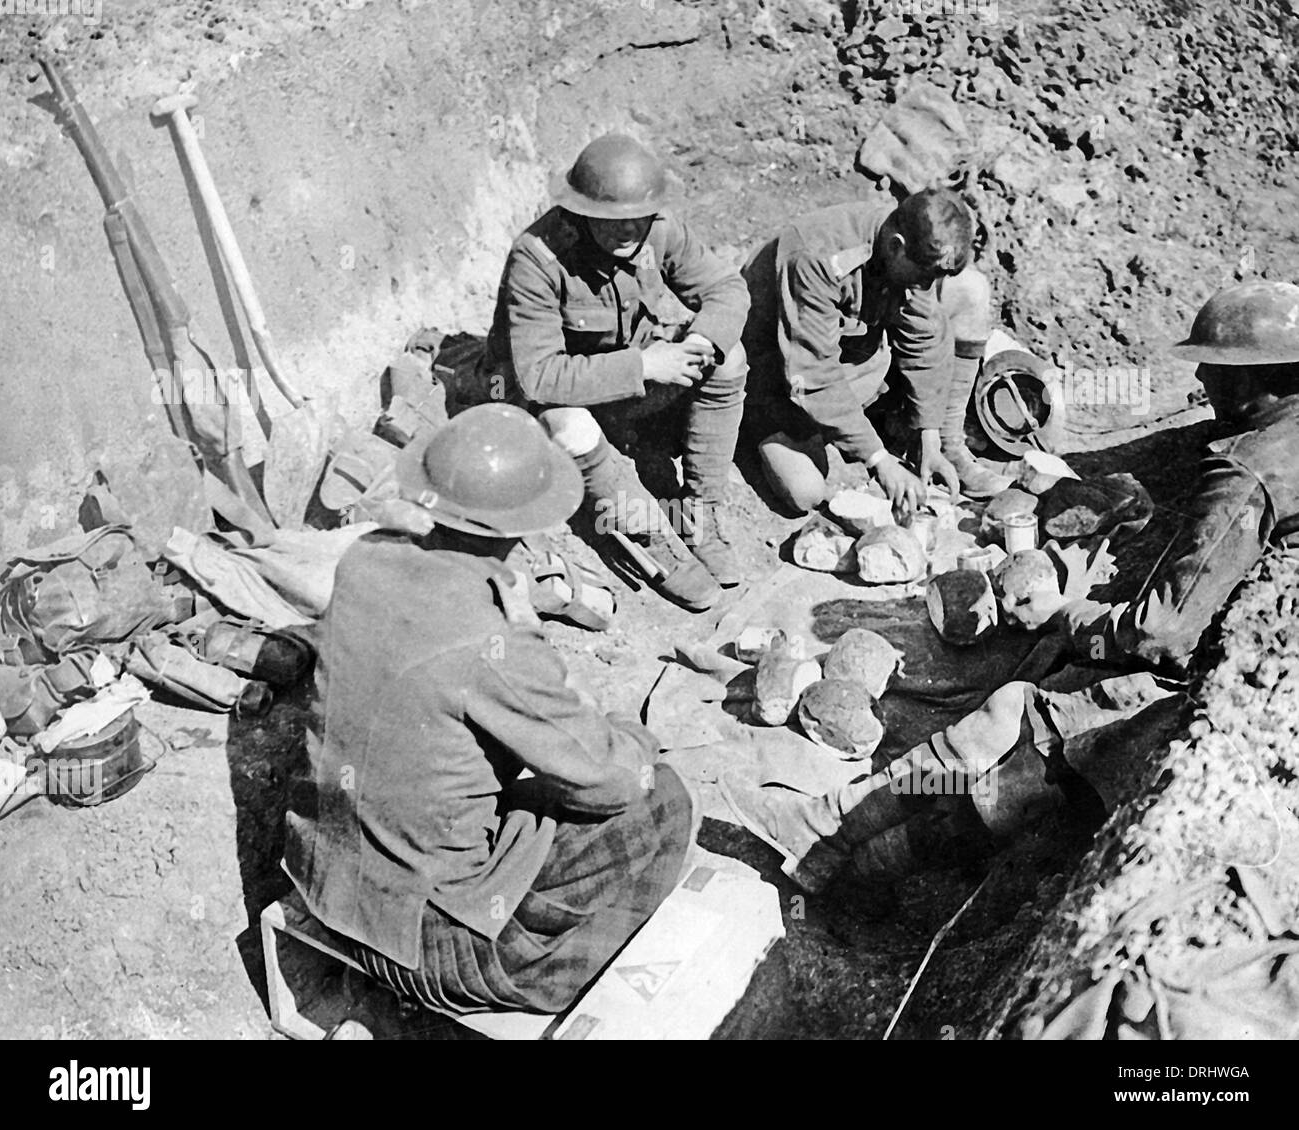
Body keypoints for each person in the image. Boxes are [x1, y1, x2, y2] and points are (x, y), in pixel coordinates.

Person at [721, 279, 1299, 893]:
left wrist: (1068, 613)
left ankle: (837, 846)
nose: (1203, 379)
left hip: (1223, 690)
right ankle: (832, 846)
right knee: (1013, 759)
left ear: (1256, 376)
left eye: (1215, 365)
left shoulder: (1247, 468)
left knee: (1012, 760)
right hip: (1263, 687)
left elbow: (1164, 632)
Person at [283, 404, 695, 1015]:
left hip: (323, 882)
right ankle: (567, 981)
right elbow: (608, 782)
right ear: (525, 521)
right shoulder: (494, 636)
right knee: (660, 795)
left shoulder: (365, 559)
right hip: (431, 947)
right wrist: (629, 731)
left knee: (510, 785)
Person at [473, 133, 751, 612]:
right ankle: (650, 538)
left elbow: (726, 288)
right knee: (572, 427)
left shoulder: (658, 227)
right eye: (609, 221)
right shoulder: (537, 258)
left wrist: (700, 342)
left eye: (635, 219)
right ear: (581, 211)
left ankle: (698, 514)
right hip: (543, 397)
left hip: (622, 378)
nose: (625, 232)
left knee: (731, 358)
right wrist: (646, 364)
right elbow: (539, 377)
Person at [742, 190, 1012, 517]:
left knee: (970, 289)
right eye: (924, 276)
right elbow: (811, 377)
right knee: (806, 493)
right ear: (896, 246)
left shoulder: (911, 240)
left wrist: (929, 436)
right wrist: (878, 460)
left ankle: (943, 445)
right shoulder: (818, 257)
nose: (926, 285)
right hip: (785, 383)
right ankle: (762, 438)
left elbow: (924, 337)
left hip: (851, 363)